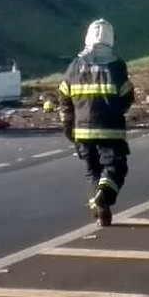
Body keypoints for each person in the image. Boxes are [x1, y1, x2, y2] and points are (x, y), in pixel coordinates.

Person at [57, 19, 135, 227]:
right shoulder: (117, 66)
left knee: (93, 171)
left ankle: (100, 210)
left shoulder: (75, 65)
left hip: (82, 131)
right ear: (110, 39)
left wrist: (68, 125)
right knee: (115, 167)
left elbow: (64, 96)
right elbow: (126, 95)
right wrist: (119, 108)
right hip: (110, 129)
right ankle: (104, 196)